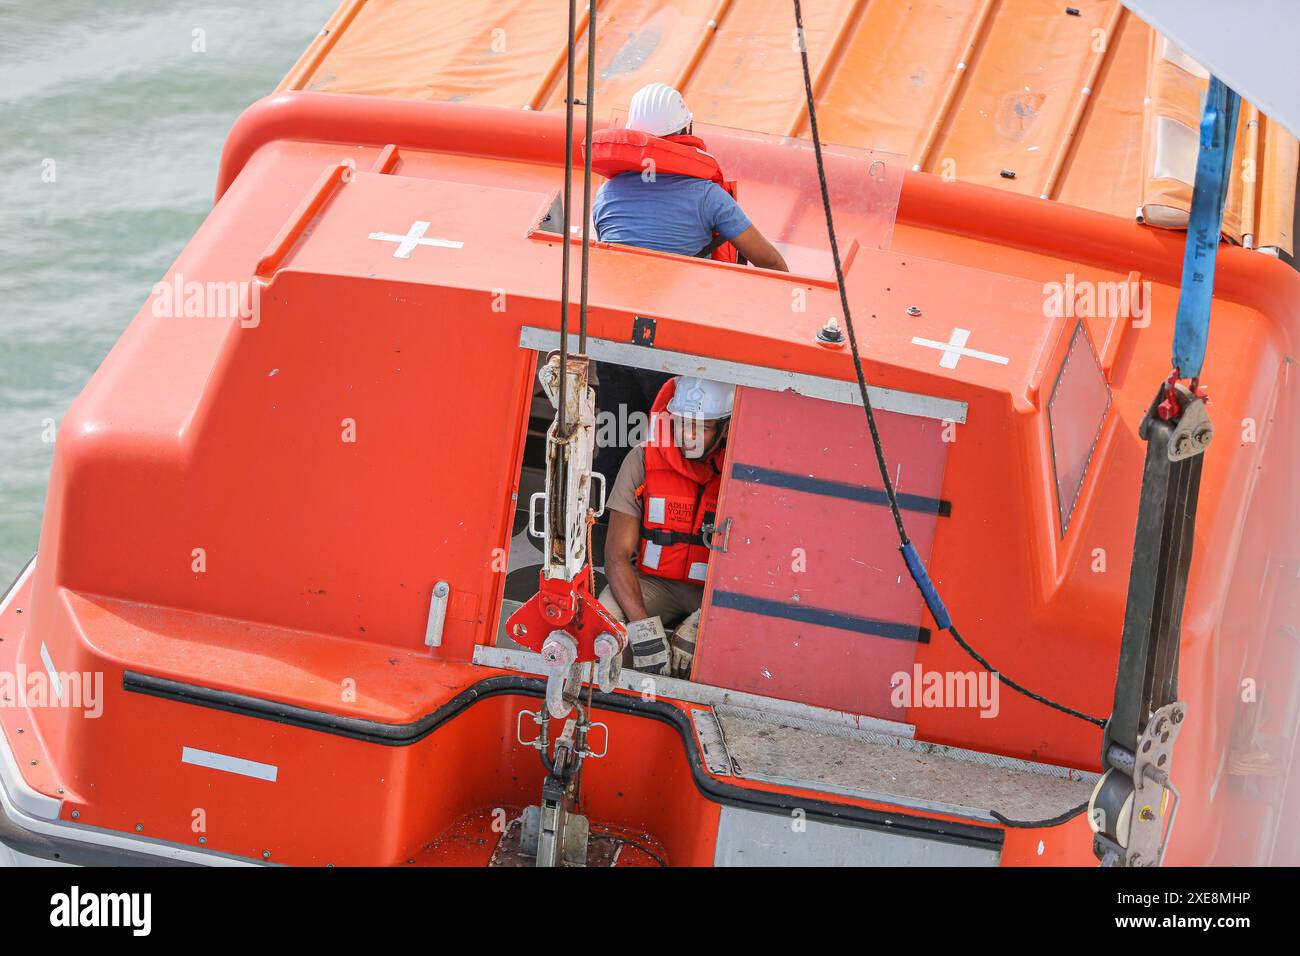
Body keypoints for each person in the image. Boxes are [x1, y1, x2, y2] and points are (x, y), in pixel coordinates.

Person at [586, 83, 786, 487]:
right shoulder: (707, 196)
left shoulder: (606, 195)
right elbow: (771, 263)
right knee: (671, 454)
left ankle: (598, 536)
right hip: (672, 352)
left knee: (615, 446)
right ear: (687, 130)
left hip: (613, 348)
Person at [597, 376, 734, 679]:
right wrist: (643, 629)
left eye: (702, 426)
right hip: (655, 583)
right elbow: (616, 556)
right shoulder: (642, 459)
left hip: (716, 592)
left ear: (725, 428)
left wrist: (707, 619)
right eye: (681, 422)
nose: (688, 434)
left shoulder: (743, 473)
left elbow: (758, 570)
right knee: (601, 624)